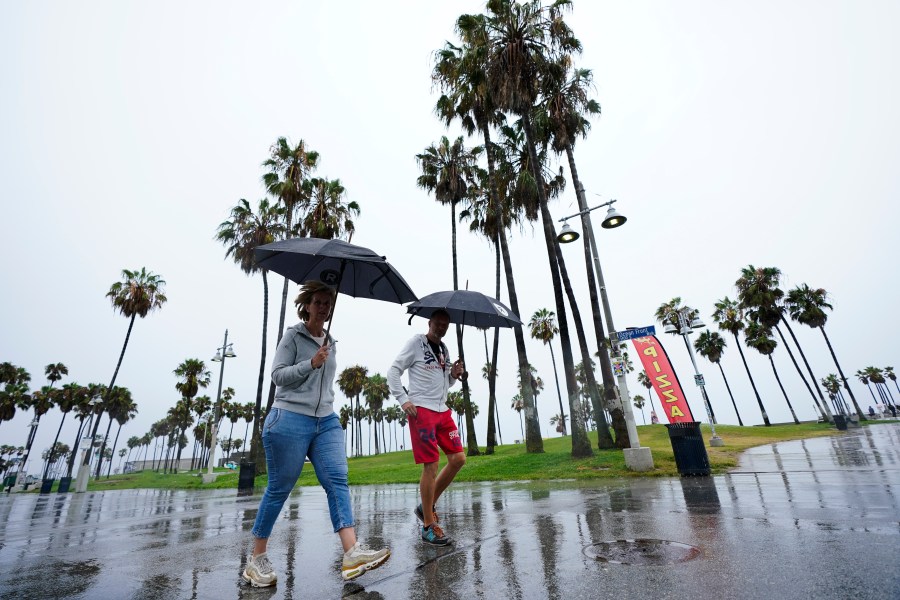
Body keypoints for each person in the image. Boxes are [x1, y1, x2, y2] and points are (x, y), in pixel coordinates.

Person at [243, 280, 390, 588]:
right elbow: (278, 376)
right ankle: (256, 559)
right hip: (289, 418)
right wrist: (310, 363)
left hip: (326, 420)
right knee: (279, 488)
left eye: (328, 303)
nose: (323, 307)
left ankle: (351, 553)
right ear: (306, 305)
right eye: (318, 302)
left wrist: (321, 361)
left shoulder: (331, 341)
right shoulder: (293, 336)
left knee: (337, 479)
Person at [387, 308, 466, 546]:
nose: (441, 327)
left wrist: (452, 375)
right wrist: (404, 400)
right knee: (431, 466)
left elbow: (445, 384)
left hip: (442, 410)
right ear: (430, 323)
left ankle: (425, 507)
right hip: (421, 411)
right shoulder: (415, 343)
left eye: (445, 325)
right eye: (438, 323)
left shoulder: (444, 349)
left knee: (458, 459)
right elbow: (393, 371)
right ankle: (428, 526)